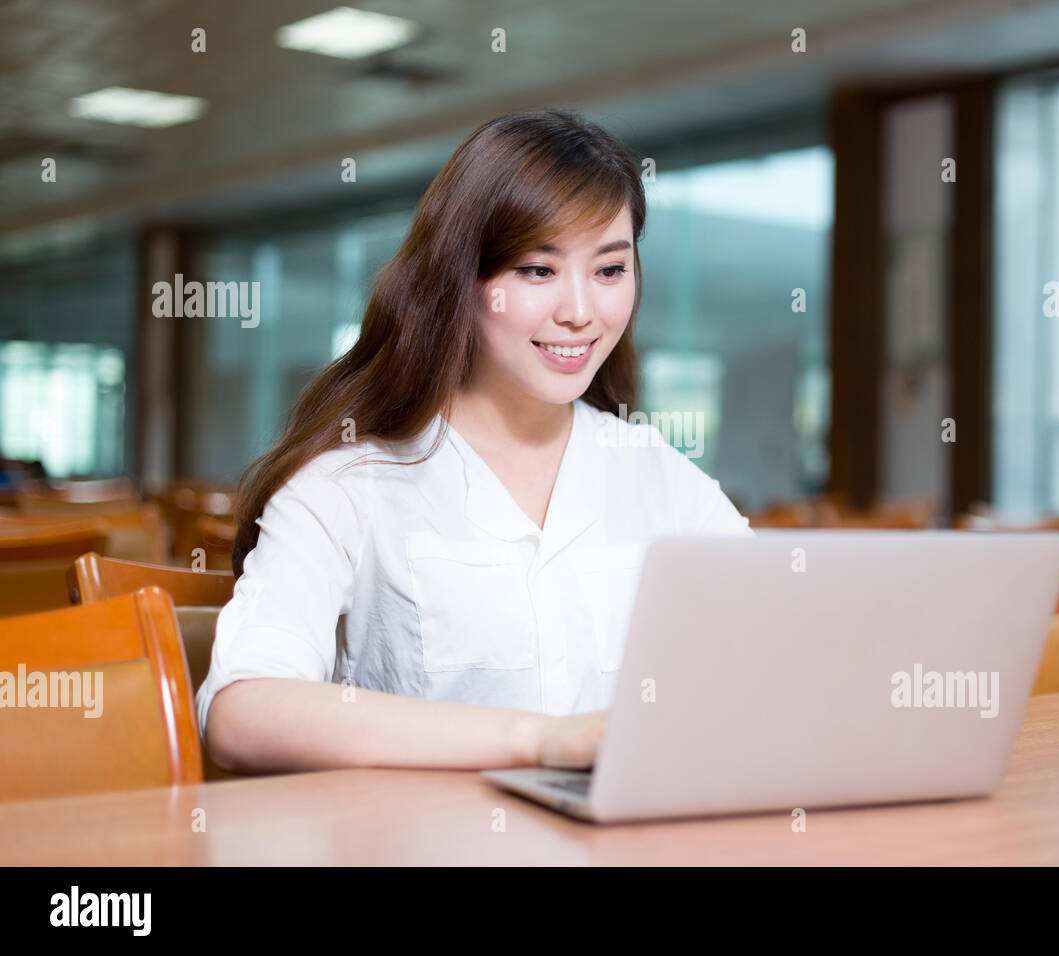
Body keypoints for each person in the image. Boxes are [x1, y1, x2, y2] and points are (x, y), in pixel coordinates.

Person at [200, 109, 753, 776]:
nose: (581, 310)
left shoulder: (656, 473)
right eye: (537, 270)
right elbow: (243, 710)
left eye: (609, 270)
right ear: (462, 279)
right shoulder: (350, 484)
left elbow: (779, 650)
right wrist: (540, 741)